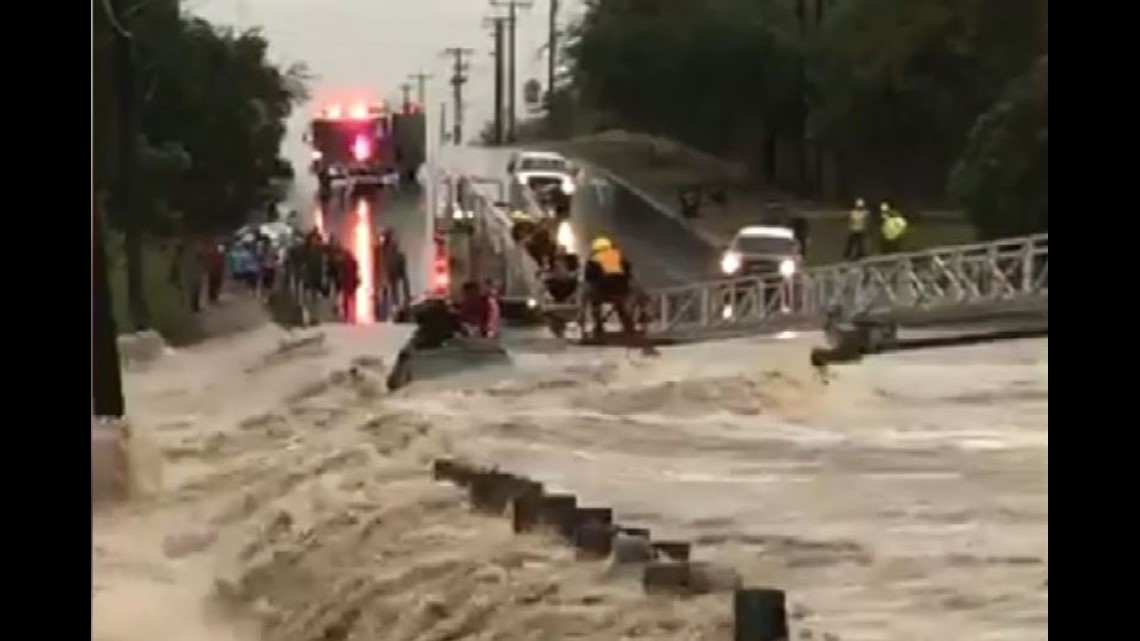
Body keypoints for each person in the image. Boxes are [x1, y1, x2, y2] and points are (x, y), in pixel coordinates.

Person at [583, 236, 635, 340]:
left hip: (602, 292)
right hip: (621, 291)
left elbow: (588, 277)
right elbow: (628, 274)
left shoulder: (593, 261)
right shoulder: (620, 259)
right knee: (620, 305)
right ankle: (628, 326)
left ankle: (598, 325)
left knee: (592, 299)